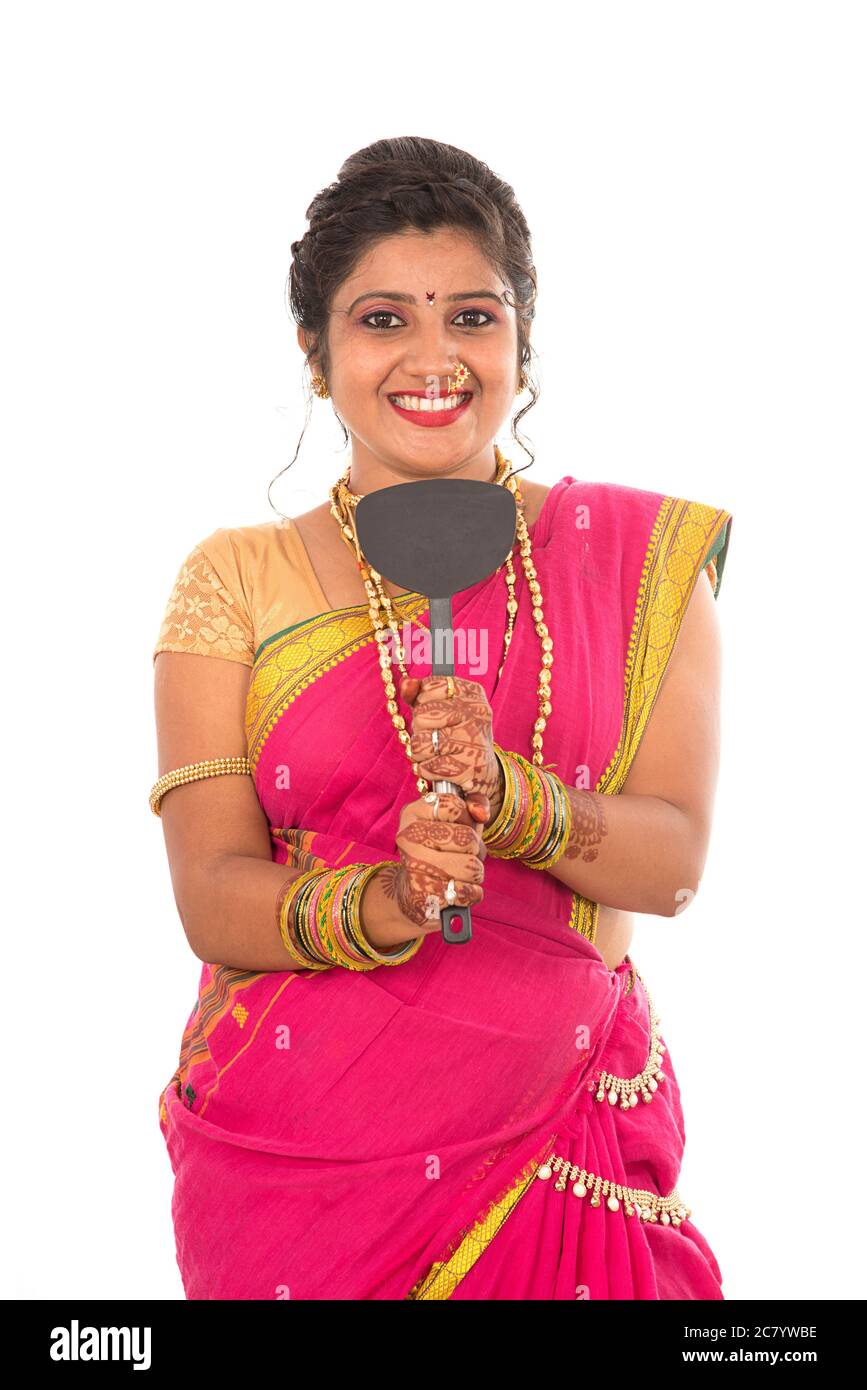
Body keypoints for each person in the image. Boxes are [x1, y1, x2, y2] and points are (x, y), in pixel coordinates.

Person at [150, 136, 732, 1300]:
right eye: (382, 322)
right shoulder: (235, 578)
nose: (434, 357)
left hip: (560, 1144)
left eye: (473, 317)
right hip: (306, 1176)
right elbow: (211, 889)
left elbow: (671, 866)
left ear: (522, 342)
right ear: (315, 353)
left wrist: (515, 800)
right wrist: (390, 899)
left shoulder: (636, 560)